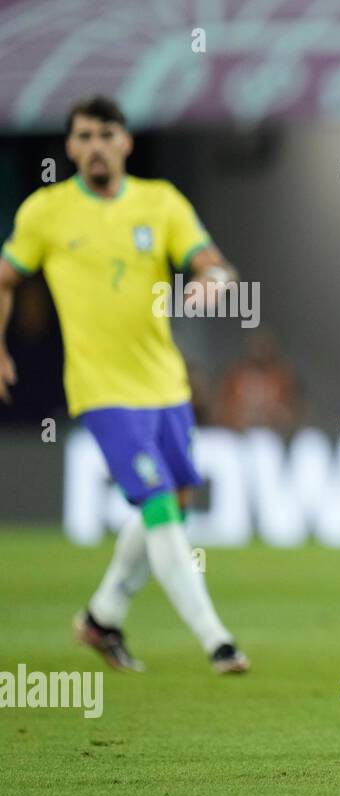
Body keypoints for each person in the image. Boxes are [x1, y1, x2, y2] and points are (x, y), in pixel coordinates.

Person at [0, 95, 249, 674]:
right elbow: (6, 277)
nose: (95, 146)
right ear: (70, 147)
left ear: (126, 143)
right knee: (159, 503)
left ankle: (102, 615)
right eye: (84, 136)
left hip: (165, 385)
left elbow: (216, 264)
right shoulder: (47, 212)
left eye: (106, 135)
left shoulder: (159, 202)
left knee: (176, 503)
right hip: (101, 389)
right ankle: (217, 641)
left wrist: (216, 281)